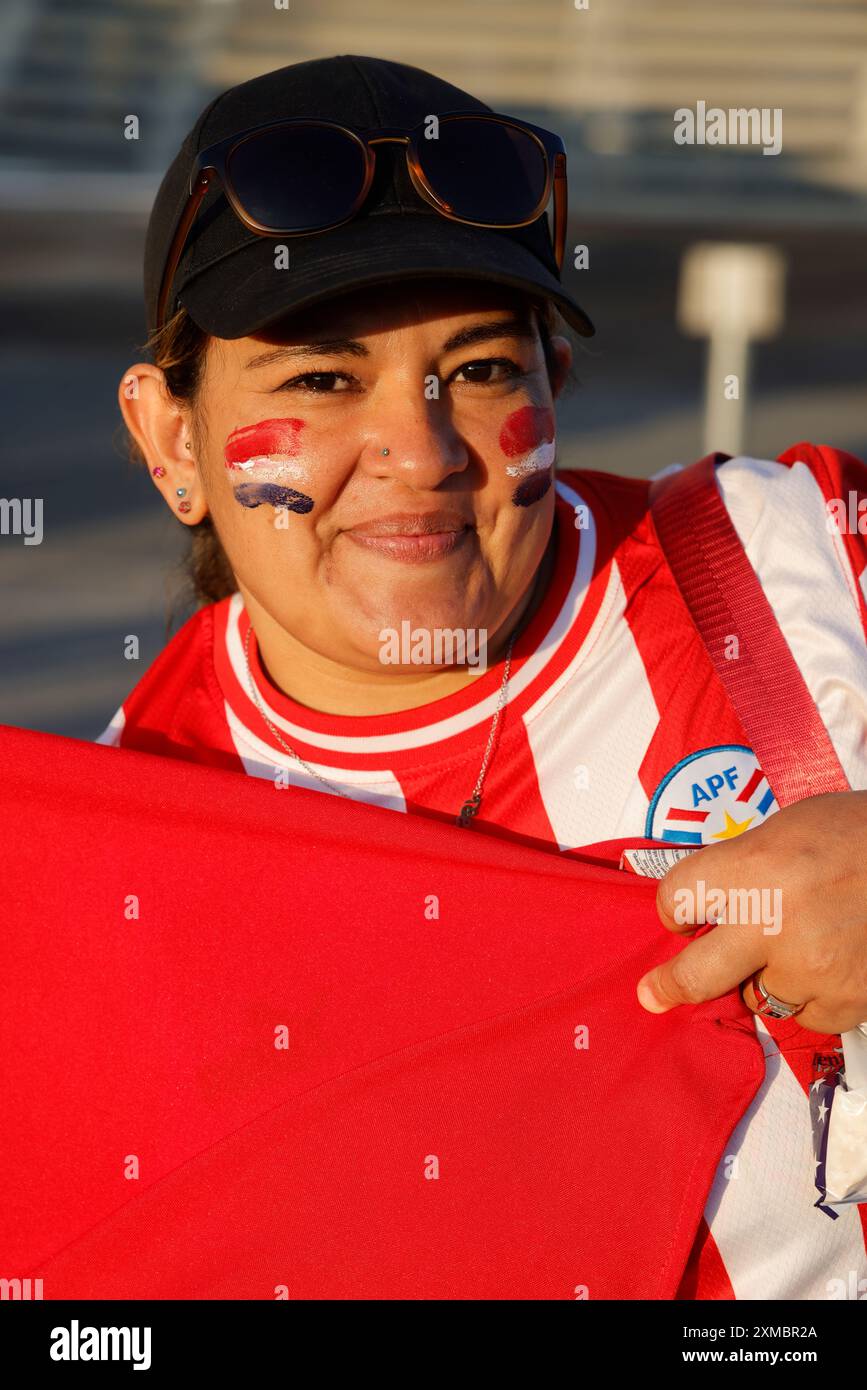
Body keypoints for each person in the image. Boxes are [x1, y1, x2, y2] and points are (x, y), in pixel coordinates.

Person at [112, 54, 867, 1298]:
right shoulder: (127, 834)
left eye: (478, 371)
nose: (419, 453)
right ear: (168, 439)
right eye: (321, 378)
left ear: (555, 386)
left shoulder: (801, 564)